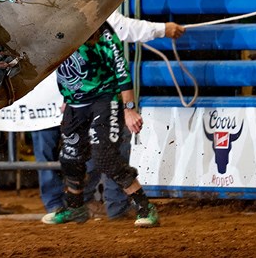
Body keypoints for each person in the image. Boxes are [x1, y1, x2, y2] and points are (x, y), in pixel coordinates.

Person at [42, 12, 185, 227]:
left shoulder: (100, 29)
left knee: (105, 156)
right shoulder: (50, 30)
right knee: (70, 156)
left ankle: (144, 207)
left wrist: (129, 109)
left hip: (104, 98)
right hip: (75, 102)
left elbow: (121, 69)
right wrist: (67, 97)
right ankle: (74, 207)